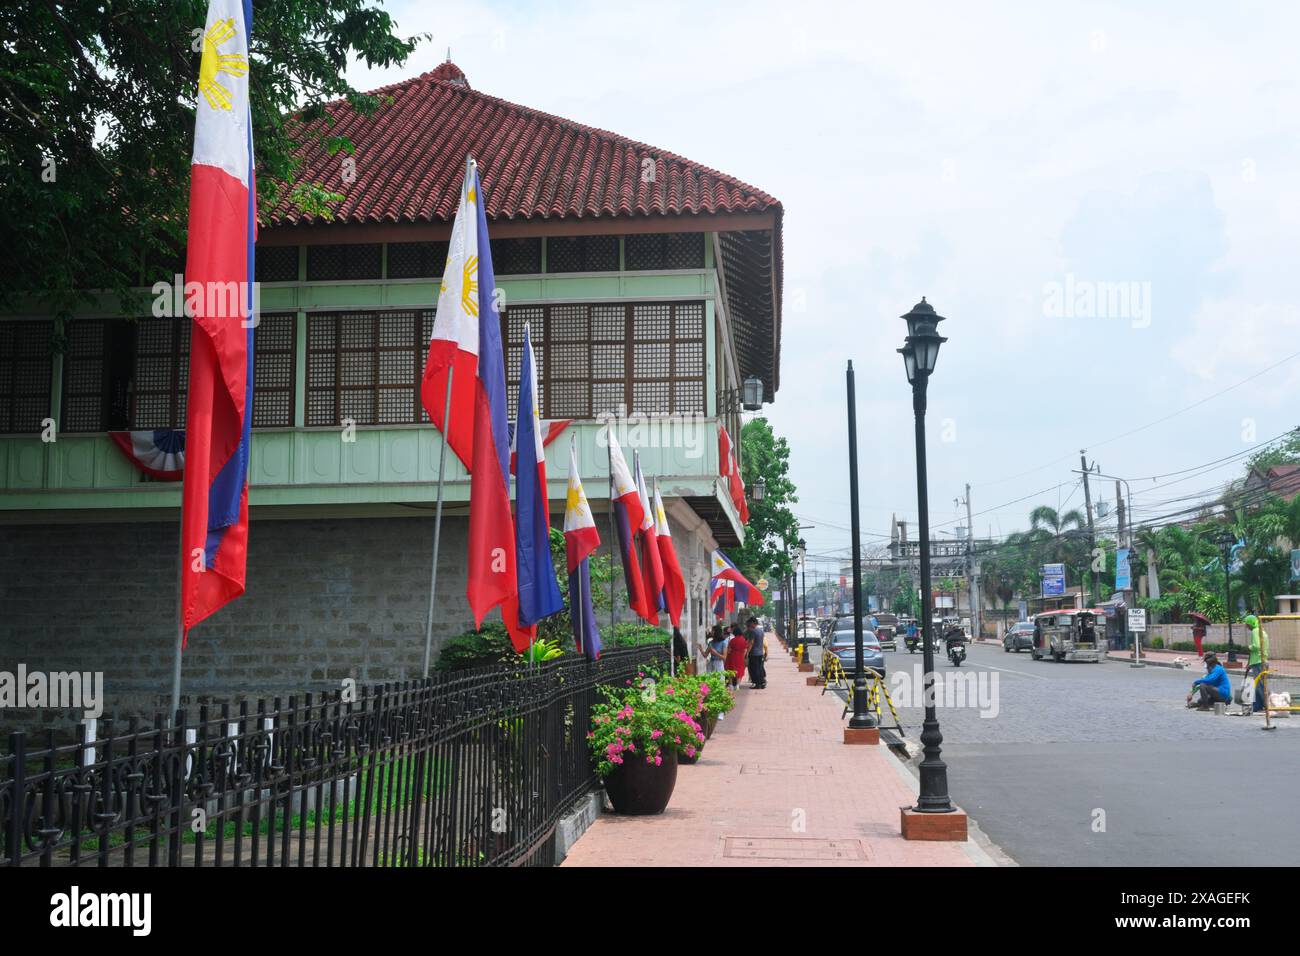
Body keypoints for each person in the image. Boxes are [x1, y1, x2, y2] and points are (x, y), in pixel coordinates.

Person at [1244, 614, 1270, 713]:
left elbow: (1256, 646)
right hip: (1261, 660)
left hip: (1259, 661)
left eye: (1247, 624)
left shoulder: (1255, 631)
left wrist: (1249, 647)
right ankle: (1258, 705)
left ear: (1250, 623)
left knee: (1260, 685)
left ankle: (1266, 704)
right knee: (1259, 684)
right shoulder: (1262, 631)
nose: (1246, 626)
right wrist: (1249, 663)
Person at [745, 616, 768, 689]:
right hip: (760, 652)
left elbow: (751, 642)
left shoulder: (753, 631)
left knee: (754, 669)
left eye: (749, 623)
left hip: (754, 653)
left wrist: (747, 652)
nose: (749, 625)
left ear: (753, 623)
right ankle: (762, 682)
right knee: (760, 668)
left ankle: (757, 684)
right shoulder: (761, 631)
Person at [724, 623, 749, 689]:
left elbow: (728, 650)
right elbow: (745, 650)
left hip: (732, 657)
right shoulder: (743, 640)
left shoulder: (732, 640)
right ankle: (737, 685)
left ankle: (731, 684)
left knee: (730, 670)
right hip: (740, 657)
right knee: (740, 670)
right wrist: (743, 656)